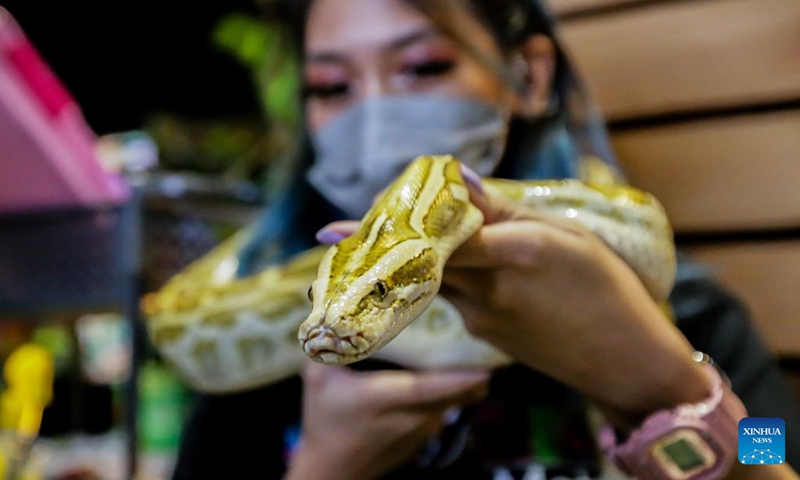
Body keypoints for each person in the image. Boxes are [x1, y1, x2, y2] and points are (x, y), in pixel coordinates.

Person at [170, 0, 800, 478]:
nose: (376, 111)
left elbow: (771, 441)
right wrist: (324, 467)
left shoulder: (681, 303)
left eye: (422, 67)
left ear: (528, 76)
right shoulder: (285, 348)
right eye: (332, 87)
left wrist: (667, 385)